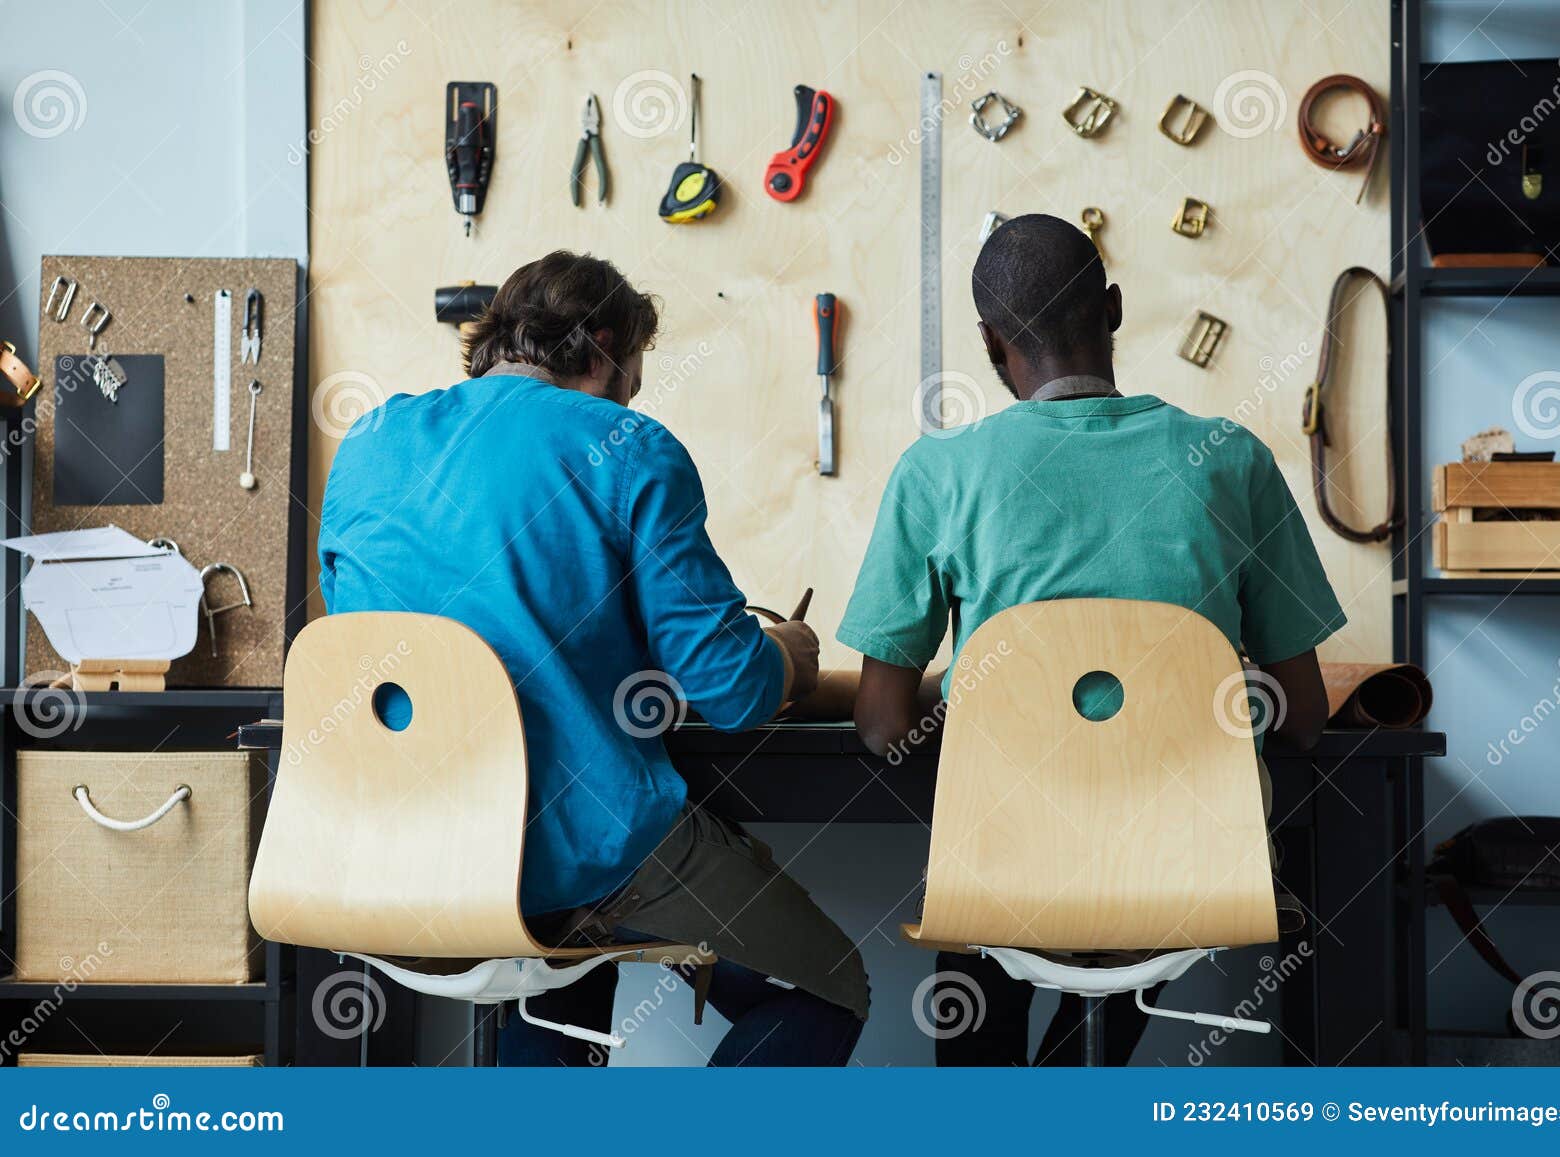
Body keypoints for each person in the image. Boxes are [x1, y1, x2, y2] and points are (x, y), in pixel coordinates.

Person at [319, 251, 868, 1066]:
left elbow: (383, 640)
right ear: (605, 347)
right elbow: (733, 688)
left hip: (405, 850)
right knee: (830, 983)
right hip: (570, 850)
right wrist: (787, 653)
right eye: (633, 377)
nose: (631, 399)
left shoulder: (369, 442)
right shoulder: (628, 445)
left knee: (565, 965)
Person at [836, 213, 1343, 1066]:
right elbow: (1304, 721)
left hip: (1004, 861)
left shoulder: (939, 473)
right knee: (1164, 879)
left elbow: (883, 726)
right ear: (1112, 309)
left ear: (993, 344)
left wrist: (989, 689)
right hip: (1188, 864)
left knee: (988, 855)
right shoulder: (1232, 459)